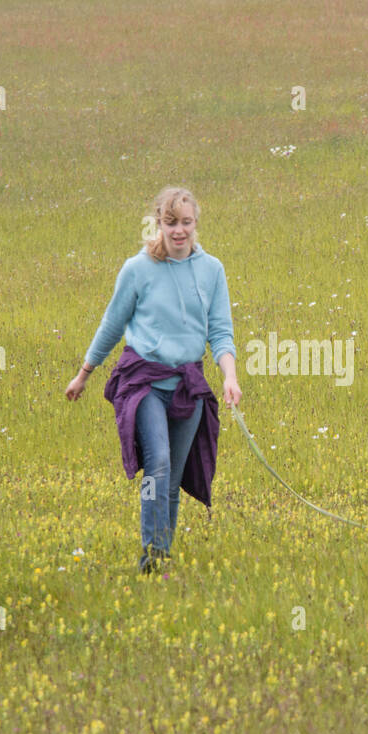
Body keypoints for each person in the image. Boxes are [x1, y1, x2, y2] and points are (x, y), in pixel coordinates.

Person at [67, 187, 241, 574]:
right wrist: (84, 374)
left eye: (186, 223)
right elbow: (112, 325)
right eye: (170, 223)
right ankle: (151, 556)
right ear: (158, 223)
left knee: (173, 476)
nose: (178, 231)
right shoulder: (138, 269)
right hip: (144, 381)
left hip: (188, 384)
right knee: (157, 465)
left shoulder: (212, 269)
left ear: (196, 223)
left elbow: (221, 331)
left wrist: (229, 376)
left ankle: (162, 557)